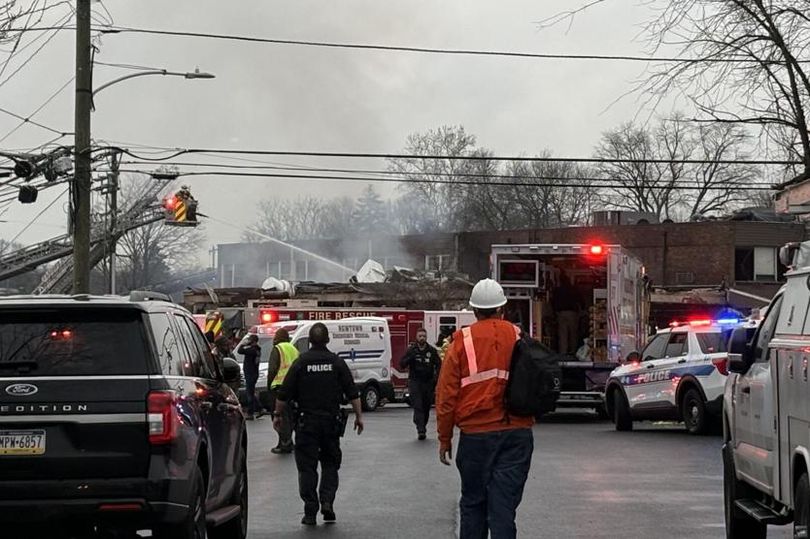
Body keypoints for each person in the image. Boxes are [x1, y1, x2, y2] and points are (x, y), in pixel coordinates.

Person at [436, 278, 534, 539]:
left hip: (476, 435)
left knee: (473, 503)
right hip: (517, 432)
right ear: (502, 307)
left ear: (474, 310)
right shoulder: (519, 335)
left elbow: (446, 395)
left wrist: (445, 438)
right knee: (503, 507)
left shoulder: (461, 342)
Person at [274, 323, 364, 526]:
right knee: (330, 464)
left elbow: (283, 393)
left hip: (306, 423)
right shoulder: (336, 363)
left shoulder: (301, 363)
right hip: (331, 423)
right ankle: (327, 501)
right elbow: (352, 393)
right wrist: (359, 417)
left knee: (307, 468)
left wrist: (277, 415)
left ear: (310, 341)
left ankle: (310, 511)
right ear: (327, 340)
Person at [399, 328, 441, 440]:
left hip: (428, 382)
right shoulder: (412, 350)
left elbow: (439, 365)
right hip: (415, 382)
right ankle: (421, 430)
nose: (422, 338)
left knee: (426, 406)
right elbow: (401, 364)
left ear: (426, 337)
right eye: (420, 336)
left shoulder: (431, 351)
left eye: (424, 336)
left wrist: (436, 379)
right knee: (418, 406)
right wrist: (410, 358)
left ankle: (421, 423)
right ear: (416, 337)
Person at [266, 328, 299, 454]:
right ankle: (288, 440)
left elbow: (272, 369)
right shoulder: (293, 349)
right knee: (290, 416)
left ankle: (285, 443)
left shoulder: (278, 349)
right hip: (293, 388)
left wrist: (269, 386)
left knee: (279, 415)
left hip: (279, 387)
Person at [553, 272, 580, 356]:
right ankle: (573, 351)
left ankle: (563, 352)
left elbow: (553, 301)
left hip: (561, 313)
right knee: (573, 333)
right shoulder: (573, 289)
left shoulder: (557, 290)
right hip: (572, 313)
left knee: (562, 333)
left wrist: (556, 311)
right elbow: (579, 299)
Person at [237, 334, 262, 420]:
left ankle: (250, 412)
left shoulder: (252, 350)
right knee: (251, 392)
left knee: (249, 393)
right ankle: (259, 408)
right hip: (253, 373)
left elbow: (239, 351)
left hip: (250, 373)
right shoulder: (257, 349)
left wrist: (243, 344)